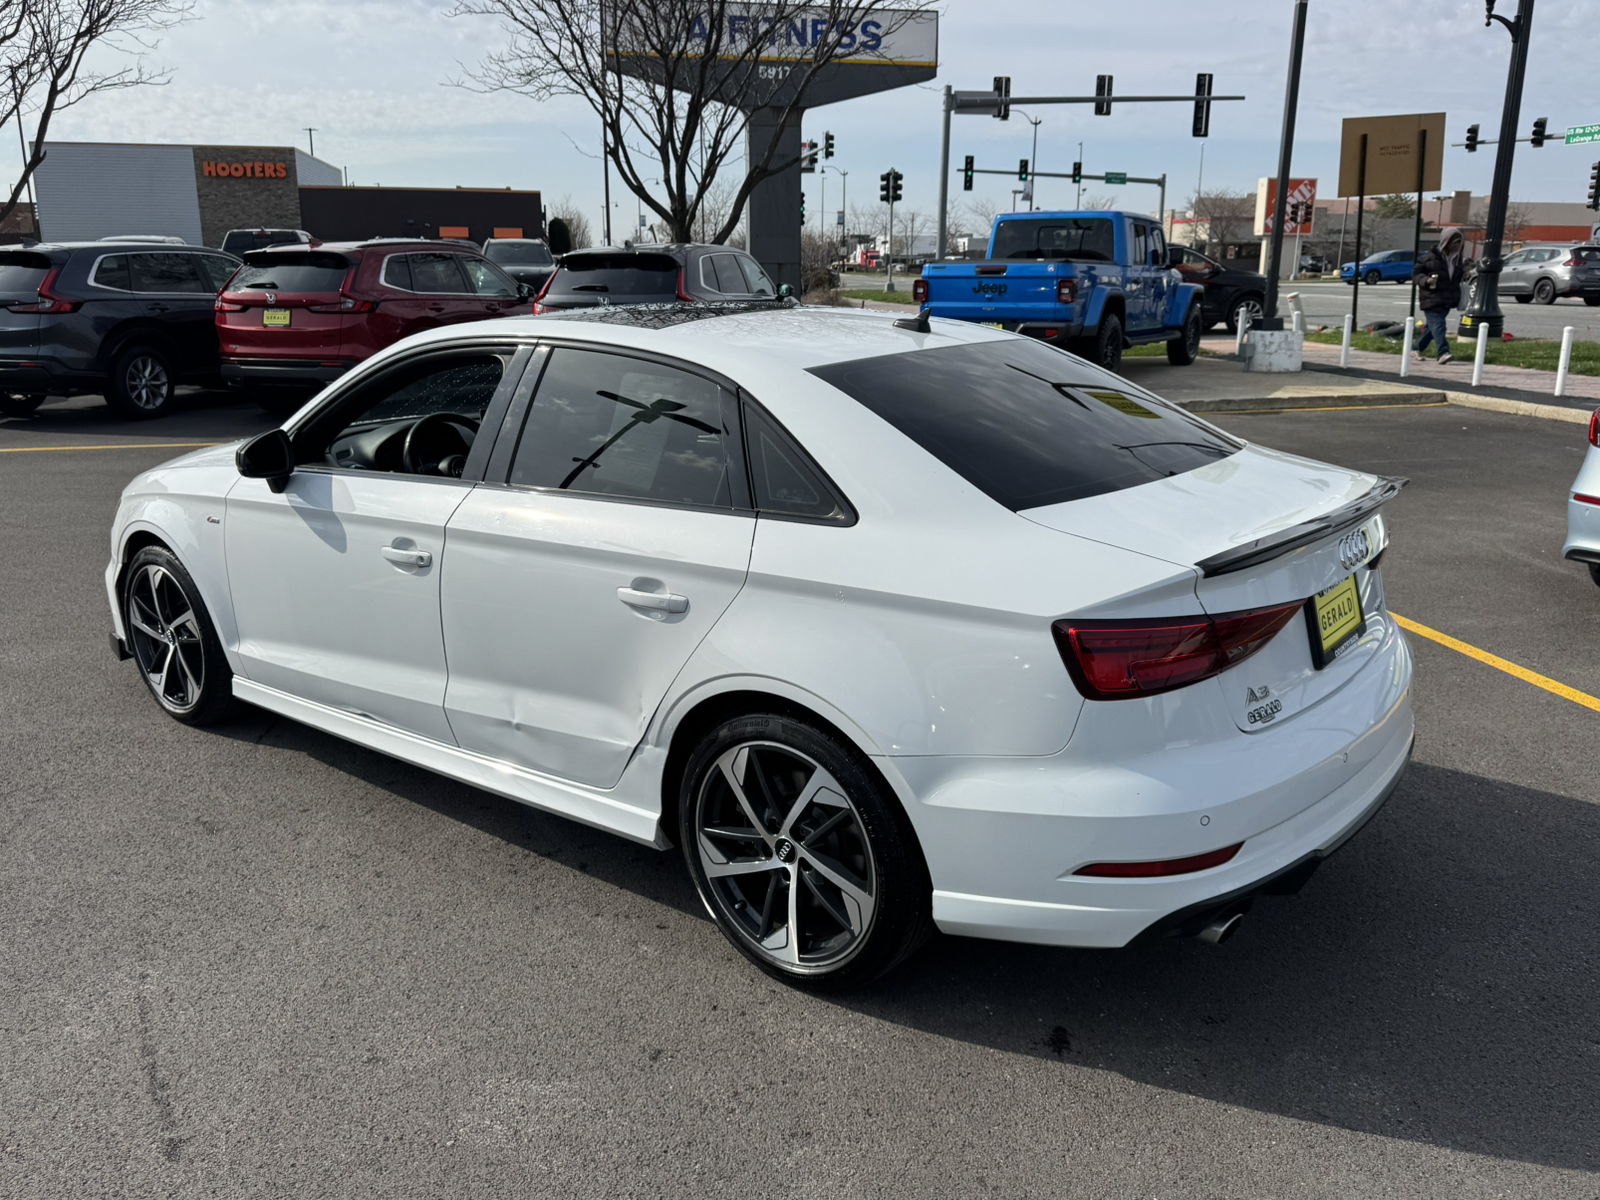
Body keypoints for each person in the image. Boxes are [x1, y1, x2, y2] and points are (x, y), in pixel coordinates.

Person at [1412, 227, 1468, 364]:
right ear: (1446, 241)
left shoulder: (1457, 260)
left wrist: (1465, 274)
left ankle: (1415, 349)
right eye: (1454, 242)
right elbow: (1416, 274)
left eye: (1459, 242)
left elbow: (1456, 277)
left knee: (1432, 327)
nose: (1457, 245)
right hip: (1431, 298)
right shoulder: (1428, 258)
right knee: (1439, 325)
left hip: (1447, 299)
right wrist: (1426, 280)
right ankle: (1443, 352)